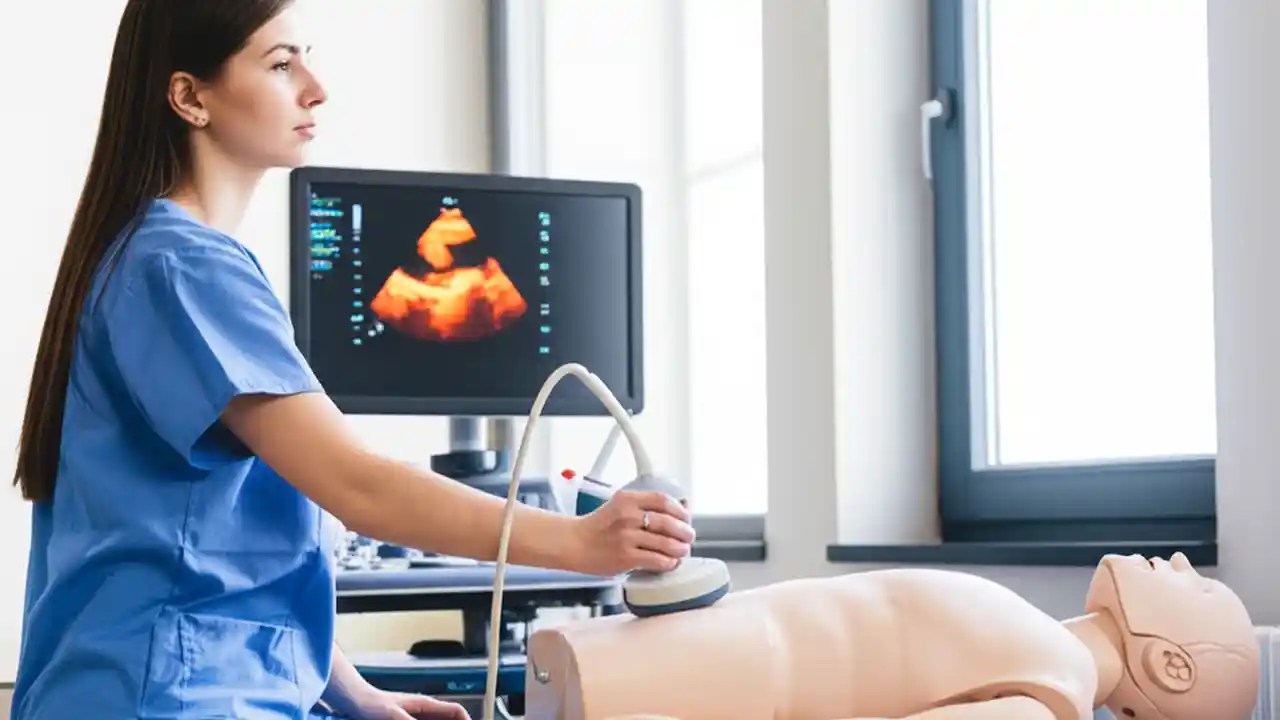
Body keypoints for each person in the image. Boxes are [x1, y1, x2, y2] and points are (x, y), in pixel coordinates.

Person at [8, 2, 693, 719]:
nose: (315, 87)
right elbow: (359, 486)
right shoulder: (182, 267)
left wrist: (355, 694)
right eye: (280, 64)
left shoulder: (161, 259)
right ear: (189, 97)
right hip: (168, 697)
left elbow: (234, 557)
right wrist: (582, 542)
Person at [524, 553, 1260, 720]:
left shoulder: (1048, 698)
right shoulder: (1039, 638)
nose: (1180, 564)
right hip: (730, 640)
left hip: (740, 678)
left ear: (1170, 666)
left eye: (1196, 587)